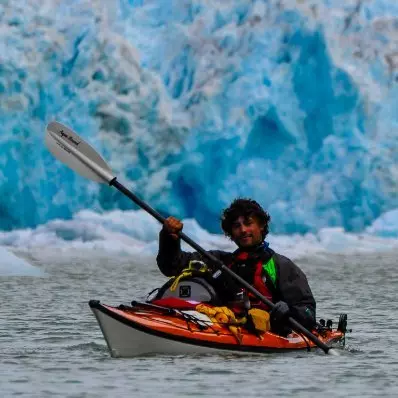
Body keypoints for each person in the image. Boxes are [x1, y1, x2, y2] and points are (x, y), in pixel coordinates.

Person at [156, 198, 316, 335]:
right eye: (237, 226)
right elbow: (171, 266)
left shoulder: (281, 266)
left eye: (248, 223)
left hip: (266, 334)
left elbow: (308, 312)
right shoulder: (218, 261)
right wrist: (169, 238)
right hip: (224, 328)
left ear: (261, 226)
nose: (243, 230)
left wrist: (287, 311)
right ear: (231, 233)